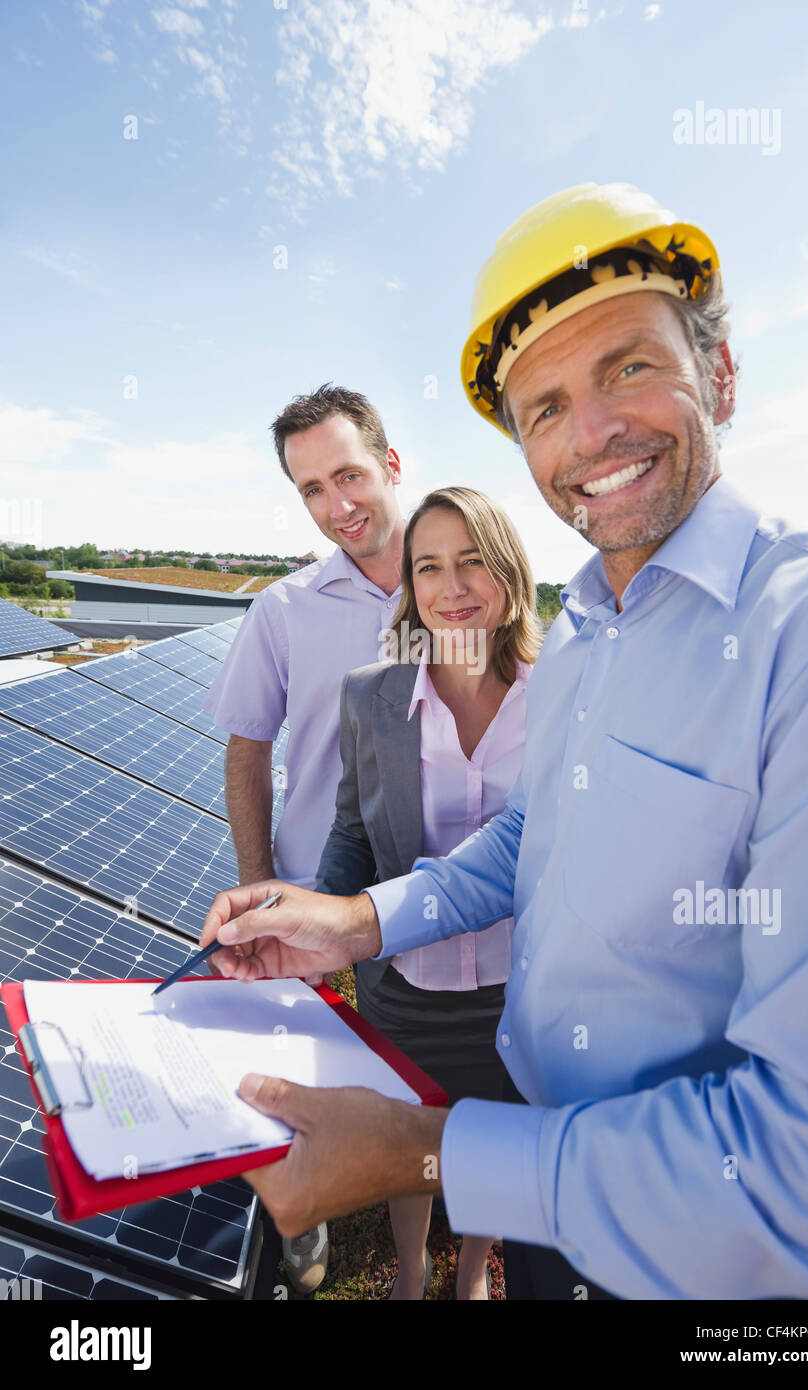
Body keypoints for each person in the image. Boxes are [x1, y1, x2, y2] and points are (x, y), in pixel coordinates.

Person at [201, 183, 808, 1300]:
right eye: (544, 407)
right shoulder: (590, 627)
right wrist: (356, 917)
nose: (590, 434)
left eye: (628, 368)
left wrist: (422, 1149)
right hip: (556, 1202)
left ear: (723, 374)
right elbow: (534, 834)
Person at [201, 383, 406, 1293]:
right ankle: (307, 1222)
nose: (337, 506)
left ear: (392, 464)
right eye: (311, 489)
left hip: (426, 893)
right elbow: (247, 748)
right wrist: (259, 889)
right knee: (297, 1071)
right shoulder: (282, 611)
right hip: (308, 886)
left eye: (350, 474)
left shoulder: (465, 587)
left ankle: (417, 1235)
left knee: (418, 1068)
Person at [315, 486, 540, 1298]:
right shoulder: (370, 696)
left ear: (509, 571)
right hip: (404, 984)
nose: (452, 588)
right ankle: (411, 1268)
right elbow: (351, 831)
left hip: (519, 986)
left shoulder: (564, 697)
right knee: (414, 1141)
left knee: (485, 1139)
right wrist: (321, 916)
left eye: (473, 560)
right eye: (430, 567)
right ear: (409, 585)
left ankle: (473, 1273)